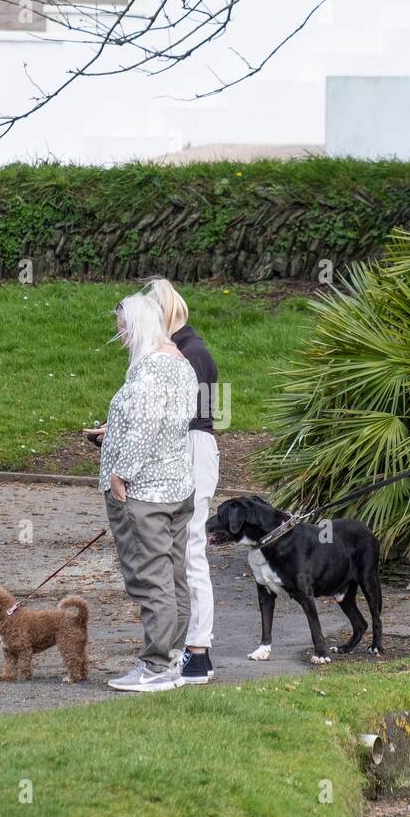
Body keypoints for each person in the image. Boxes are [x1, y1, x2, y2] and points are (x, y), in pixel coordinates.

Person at [89, 293, 198, 692]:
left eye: (121, 325)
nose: (118, 333)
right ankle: (171, 660)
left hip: (146, 491)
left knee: (151, 578)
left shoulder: (151, 369)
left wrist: (121, 473)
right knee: (173, 575)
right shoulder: (181, 363)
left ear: (136, 326)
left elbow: (146, 427)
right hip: (177, 485)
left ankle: (156, 667)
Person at [144, 278, 220, 685]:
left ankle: (198, 648)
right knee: (183, 549)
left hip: (193, 445)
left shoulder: (188, 353)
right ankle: (189, 645)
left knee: (190, 549)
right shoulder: (190, 350)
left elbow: (185, 415)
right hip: (194, 443)